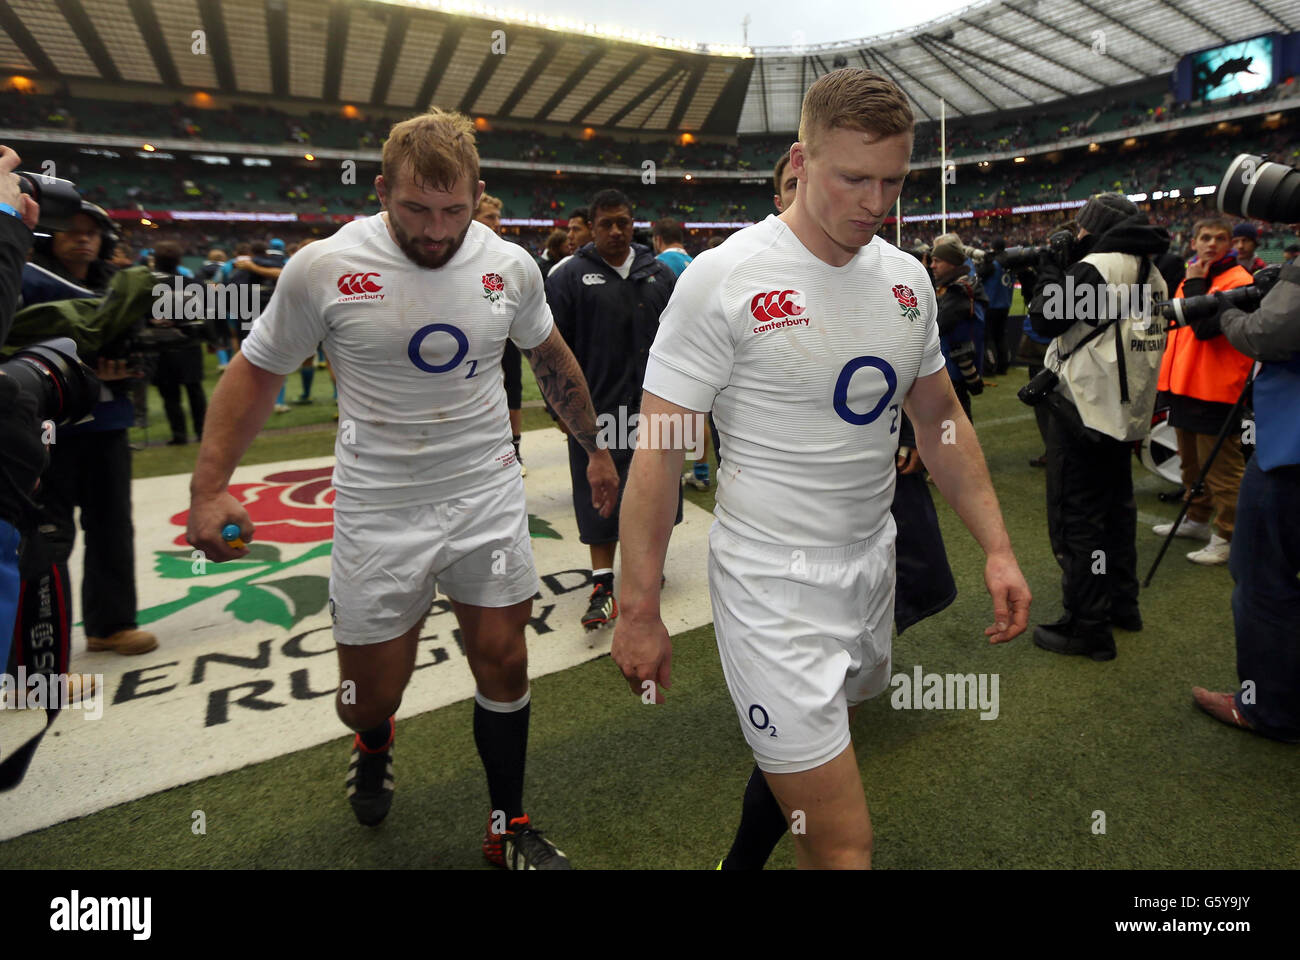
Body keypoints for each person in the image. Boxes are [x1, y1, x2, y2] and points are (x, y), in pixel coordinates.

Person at [611, 68, 1031, 870]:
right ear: (801, 162)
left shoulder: (907, 281)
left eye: (893, 181)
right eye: (853, 178)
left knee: (813, 748)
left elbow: (938, 417)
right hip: (771, 586)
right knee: (844, 846)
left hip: (869, 566)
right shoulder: (723, 279)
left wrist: (999, 546)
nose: (876, 202)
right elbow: (659, 450)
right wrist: (638, 608)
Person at [187, 109, 617, 869]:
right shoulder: (323, 267)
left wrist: (594, 450)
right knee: (371, 694)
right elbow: (257, 372)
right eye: (415, 208)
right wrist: (209, 486)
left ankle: (507, 826)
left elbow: (550, 357)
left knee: (504, 657)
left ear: (477, 194)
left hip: (483, 491)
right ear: (381, 190)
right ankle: (375, 738)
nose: (434, 228)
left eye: (453, 210)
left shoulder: (507, 265)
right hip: (378, 506)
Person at [1026, 193, 1171, 661]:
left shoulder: (1101, 265)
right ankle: (1121, 605)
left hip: (1084, 406)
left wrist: (1051, 266)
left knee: (1079, 521)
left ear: (1093, 227)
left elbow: (1046, 318)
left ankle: (1088, 625)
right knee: (1115, 512)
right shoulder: (1152, 271)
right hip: (1124, 411)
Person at [20, 200, 157, 659]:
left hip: (107, 425)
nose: (83, 238)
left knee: (112, 527)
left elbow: (141, 351)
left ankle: (111, 625)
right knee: (46, 533)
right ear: (47, 237)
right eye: (72, 230)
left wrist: (129, 368)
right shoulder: (23, 282)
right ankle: (38, 649)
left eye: (92, 233)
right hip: (45, 432)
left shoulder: (117, 287)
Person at [545, 189, 681, 630]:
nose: (616, 231)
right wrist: (564, 415)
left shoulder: (659, 273)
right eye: (606, 224)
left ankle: (645, 565)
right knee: (600, 493)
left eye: (623, 222)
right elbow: (553, 349)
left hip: (654, 408)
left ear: (633, 222)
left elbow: (681, 341)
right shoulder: (568, 276)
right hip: (596, 408)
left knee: (654, 487)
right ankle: (603, 582)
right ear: (593, 225)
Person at [1190, 255, 1300, 742]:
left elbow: (1268, 335)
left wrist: (1229, 312)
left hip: (1289, 449)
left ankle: (1268, 707)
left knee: (1262, 580)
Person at [1154, 218, 1255, 565]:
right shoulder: (1191, 279)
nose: (1212, 244)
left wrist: (1196, 285)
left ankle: (1229, 535)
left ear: (1231, 244)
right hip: (1185, 387)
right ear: (1193, 242)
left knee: (1223, 473)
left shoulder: (1239, 281)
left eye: (1220, 238)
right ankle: (1196, 519)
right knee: (1191, 466)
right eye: (1205, 237)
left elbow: (1206, 329)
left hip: (1217, 391)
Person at [475, 192, 526, 476]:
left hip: (504, 335)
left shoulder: (503, 255)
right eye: (489, 217)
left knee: (513, 387)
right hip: (471, 339)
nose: (496, 223)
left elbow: (498, 302)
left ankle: (515, 449)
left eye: (497, 217)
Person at [150, 242, 208, 445]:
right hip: (190, 343)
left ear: (155, 260)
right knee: (195, 391)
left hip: (161, 346)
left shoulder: (147, 285)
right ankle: (202, 432)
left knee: (169, 394)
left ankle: (179, 434)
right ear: (179, 261)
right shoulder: (195, 284)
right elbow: (206, 315)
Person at [929, 240, 987, 422]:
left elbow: (937, 326)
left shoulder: (958, 291)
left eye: (937, 261)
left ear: (952, 263)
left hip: (953, 371)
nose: (932, 266)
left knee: (954, 426)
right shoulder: (961, 285)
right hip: (953, 367)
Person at [547, 209, 591, 276]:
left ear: (592, 229)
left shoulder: (610, 264)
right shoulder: (560, 270)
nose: (569, 235)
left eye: (576, 229)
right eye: (569, 229)